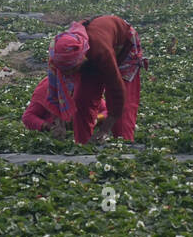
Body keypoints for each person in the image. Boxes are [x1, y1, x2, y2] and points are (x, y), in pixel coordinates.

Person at [47, 15, 145, 144]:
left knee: (123, 109)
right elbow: (57, 92)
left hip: (123, 48)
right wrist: (58, 122)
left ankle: (123, 146)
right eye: (66, 71)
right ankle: (82, 144)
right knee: (82, 99)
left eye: (72, 69)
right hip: (91, 57)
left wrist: (105, 129)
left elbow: (116, 89)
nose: (69, 74)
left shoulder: (100, 51)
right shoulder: (59, 55)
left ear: (81, 59)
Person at [21, 75, 107, 139]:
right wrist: (48, 126)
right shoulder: (47, 89)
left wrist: (96, 119)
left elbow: (107, 111)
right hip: (52, 137)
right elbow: (28, 117)